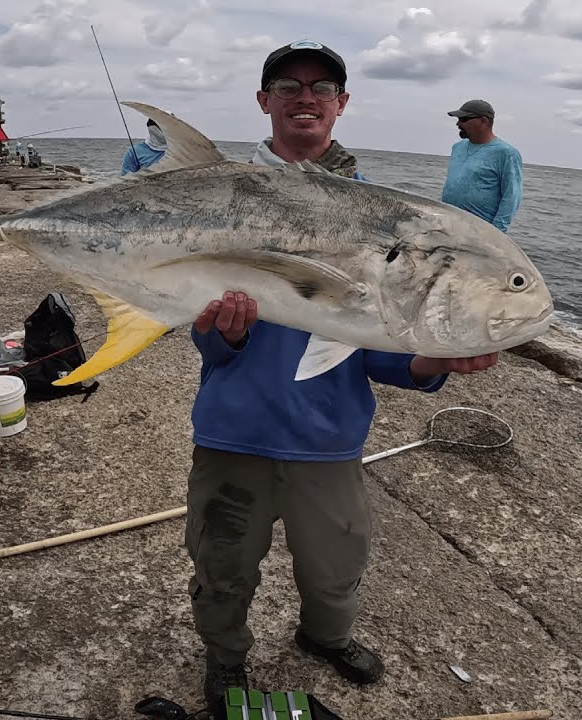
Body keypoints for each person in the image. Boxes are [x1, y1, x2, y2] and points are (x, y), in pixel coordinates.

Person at [185, 40, 501, 712]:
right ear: (264, 100)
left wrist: (434, 359)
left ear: (342, 104)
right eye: (289, 84)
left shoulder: (376, 216)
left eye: (322, 86)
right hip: (234, 431)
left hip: (329, 437)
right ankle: (226, 659)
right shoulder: (224, 196)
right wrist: (229, 335)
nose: (306, 96)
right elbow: (195, 320)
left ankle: (324, 637)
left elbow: (378, 343)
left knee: (336, 568)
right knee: (223, 568)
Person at [440, 99, 523, 233]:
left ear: (484, 121)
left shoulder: (506, 153)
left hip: (479, 232)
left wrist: (496, 233)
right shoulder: (457, 148)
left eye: (464, 119)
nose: (458, 123)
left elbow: (511, 197)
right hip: (448, 225)